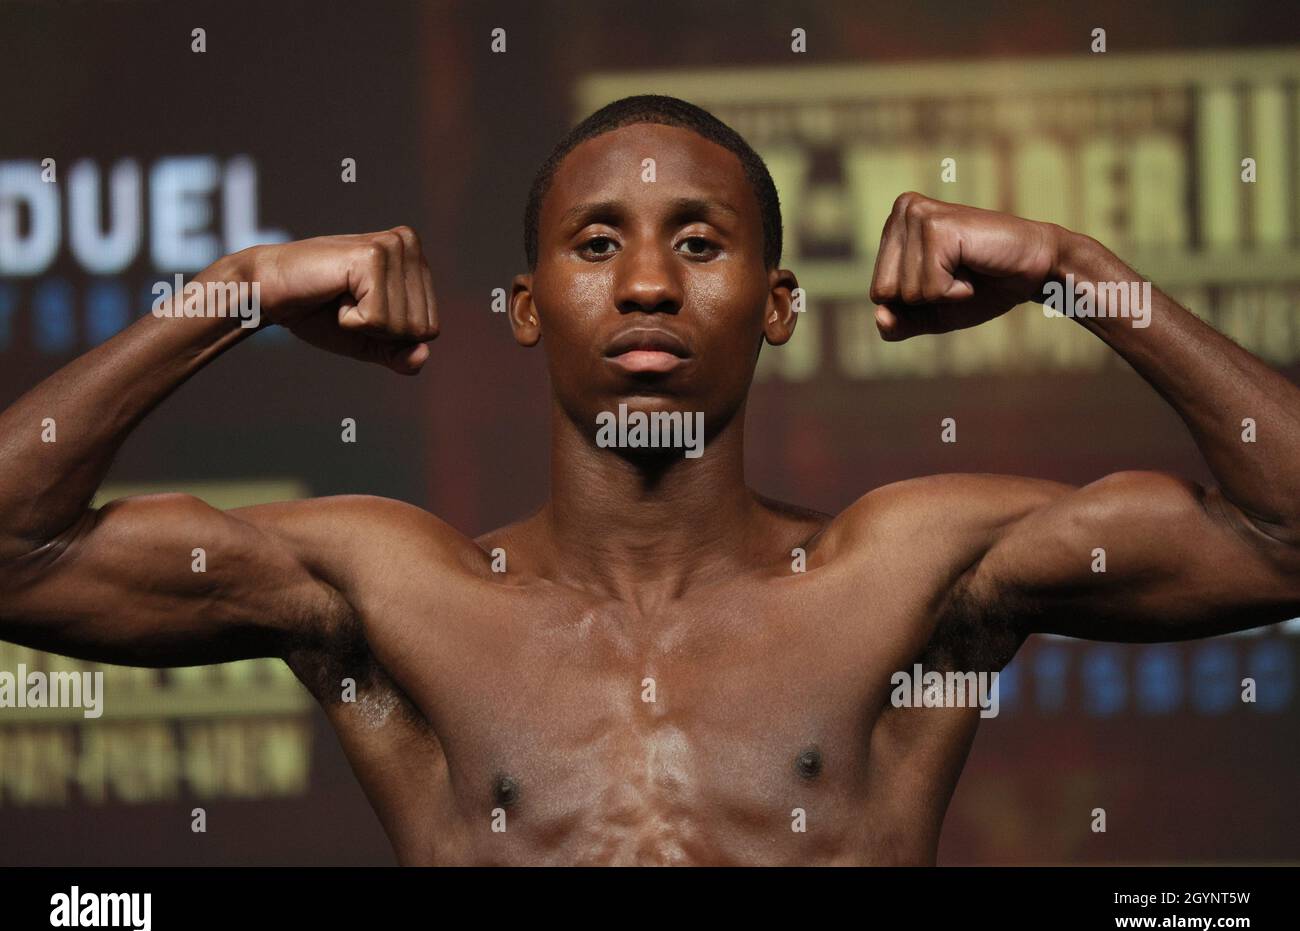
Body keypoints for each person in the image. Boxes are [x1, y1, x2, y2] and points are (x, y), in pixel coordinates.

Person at [1, 95, 1296, 864]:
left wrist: (1074, 266)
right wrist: (234, 291)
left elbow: (1283, 536)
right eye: (596, 242)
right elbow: (20, 553)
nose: (646, 284)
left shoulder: (908, 575)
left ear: (779, 305)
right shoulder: (397, 594)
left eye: (700, 241)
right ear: (524, 307)